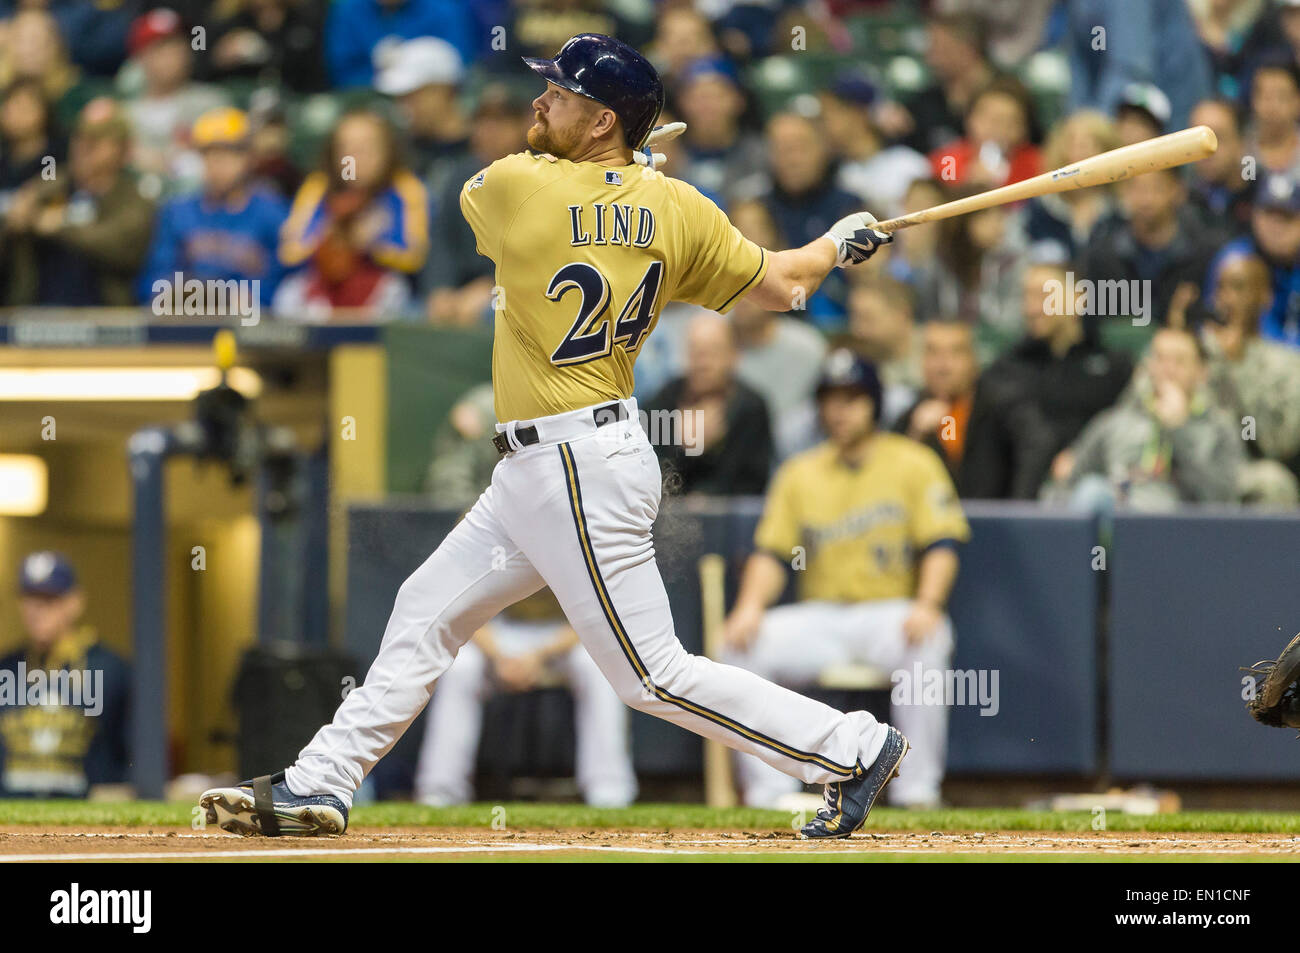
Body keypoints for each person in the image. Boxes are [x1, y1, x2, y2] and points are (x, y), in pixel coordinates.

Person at [201, 32, 904, 841]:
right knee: (426, 608)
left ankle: (852, 747)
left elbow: (487, 201)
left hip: (575, 462)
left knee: (651, 674)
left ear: (605, 119)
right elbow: (785, 282)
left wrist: (613, 173)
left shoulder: (517, 184)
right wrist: (836, 242)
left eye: (562, 94)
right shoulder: (679, 208)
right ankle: (320, 781)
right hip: (555, 465)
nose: (540, 102)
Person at [723, 350, 969, 809]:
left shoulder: (913, 462)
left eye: (852, 398)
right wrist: (749, 608)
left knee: (931, 637)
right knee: (739, 644)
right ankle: (769, 792)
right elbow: (772, 555)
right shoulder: (800, 472)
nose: (838, 410)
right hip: (823, 617)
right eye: (831, 399)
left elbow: (942, 545)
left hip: (887, 616)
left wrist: (929, 603)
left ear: (874, 403)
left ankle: (918, 789)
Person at [414, 591, 637, 808]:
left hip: (568, 632)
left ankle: (609, 792)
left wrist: (539, 655)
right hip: (500, 630)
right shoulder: (489, 552)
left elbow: (602, 616)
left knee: (597, 666)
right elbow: (461, 610)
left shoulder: (586, 551)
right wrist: (500, 657)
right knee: (461, 666)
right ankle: (441, 791)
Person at [960, 261, 1129, 499]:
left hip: (1093, 502)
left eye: (1043, 295)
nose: (1031, 309)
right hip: (1016, 511)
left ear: (1078, 299)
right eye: (1026, 297)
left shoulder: (1114, 369)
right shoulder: (1005, 372)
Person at [1045, 326, 1243, 509]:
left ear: (1201, 372)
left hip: (1179, 524)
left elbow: (1219, 499)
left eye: (1179, 361)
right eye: (1160, 359)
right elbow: (1067, 482)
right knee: (1091, 490)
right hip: (1118, 516)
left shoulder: (1220, 429)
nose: (1168, 369)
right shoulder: (1116, 420)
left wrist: (1178, 429)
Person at [274, 109, 428, 320]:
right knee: (287, 296)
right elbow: (290, 253)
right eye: (346, 148)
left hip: (383, 285)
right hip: (325, 287)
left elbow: (415, 256)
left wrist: (374, 244)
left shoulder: (404, 187)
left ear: (387, 151)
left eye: (366, 148)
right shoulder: (319, 186)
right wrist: (332, 235)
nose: (355, 158)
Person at [1, 97, 155, 306]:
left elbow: (122, 247)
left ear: (123, 149)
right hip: (36, 312)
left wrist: (61, 226)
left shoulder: (134, 197)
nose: (85, 146)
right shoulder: (51, 185)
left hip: (106, 316)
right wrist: (15, 221)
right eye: (80, 138)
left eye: (98, 140)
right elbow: (19, 218)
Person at [0, 552, 130, 798]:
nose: (37, 610)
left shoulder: (110, 669)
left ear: (75, 601)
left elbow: (130, 756)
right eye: (30, 599)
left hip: (84, 818)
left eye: (50, 599)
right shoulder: (5, 668)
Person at [138, 108, 288, 309]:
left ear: (249, 158)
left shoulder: (272, 213)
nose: (218, 162)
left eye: (230, 153)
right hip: (189, 321)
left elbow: (290, 287)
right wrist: (206, 296)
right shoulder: (177, 211)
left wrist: (250, 295)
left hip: (252, 323)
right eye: (210, 154)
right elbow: (151, 283)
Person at [1201, 251, 1300, 503]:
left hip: (1249, 468)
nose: (1227, 299)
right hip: (1192, 461)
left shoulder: (1287, 364)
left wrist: (1235, 369)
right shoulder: (1195, 352)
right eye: (1220, 288)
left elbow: (1276, 443)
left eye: (1239, 288)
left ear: (1265, 296)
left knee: (1273, 483)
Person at [643, 311, 774, 496]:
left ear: (734, 356)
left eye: (713, 352)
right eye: (696, 353)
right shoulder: (662, 403)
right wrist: (684, 447)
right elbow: (648, 476)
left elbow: (753, 482)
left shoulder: (751, 408)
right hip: (668, 517)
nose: (703, 363)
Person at [1080, 167, 1225, 328]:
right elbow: (1096, 327)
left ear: (1178, 191)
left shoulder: (1204, 254)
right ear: (1123, 192)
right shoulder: (1104, 256)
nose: (1146, 200)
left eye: (1157, 189)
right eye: (1137, 189)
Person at [121, 8, 230, 196]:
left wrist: (165, 160)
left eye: (178, 45)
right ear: (141, 57)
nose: (172, 55)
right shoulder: (124, 114)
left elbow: (227, 159)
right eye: (161, 47)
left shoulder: (211, 102)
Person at [1204, 171, 1300, 347]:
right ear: (1254, 215)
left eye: (1286, 217)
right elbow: (1217, 323)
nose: (1276, 227)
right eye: (1269, 214)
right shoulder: (1235, 260)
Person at [820, 72, 931, 218]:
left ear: (857, 113)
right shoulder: (836, 176)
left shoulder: (908, 164)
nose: (823, 124)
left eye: (829, 113)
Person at [373, 36, 468, 193]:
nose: (403, 108)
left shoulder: (484, 151)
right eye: (400, 100)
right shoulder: (402, 156)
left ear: (442, 91)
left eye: (411, 97)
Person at [1023, 110, 1120, 261]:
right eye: (1072, 142)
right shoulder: (1039, 208)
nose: (1081, 150)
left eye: (1091, 143)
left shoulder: (1120, 210)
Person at [895, 321, 981, 486]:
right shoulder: (908, 420)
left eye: (955, 352)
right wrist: (916, 436)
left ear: (972, 360)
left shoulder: (999, 412)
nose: (942, 366)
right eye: (933, 352)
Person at [323, 0, 475, 88]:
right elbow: (341, 69)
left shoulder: (443, 10)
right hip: (369, 94)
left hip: (427, 93)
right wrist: (381, 78)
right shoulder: (348, 10)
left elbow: (458, 64)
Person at [1187, 97, 1258, 237]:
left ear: (1241, 142)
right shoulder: (1184, 200)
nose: (1205, 151)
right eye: (1196, 141)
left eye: (1217, 138)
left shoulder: (1262, 196)